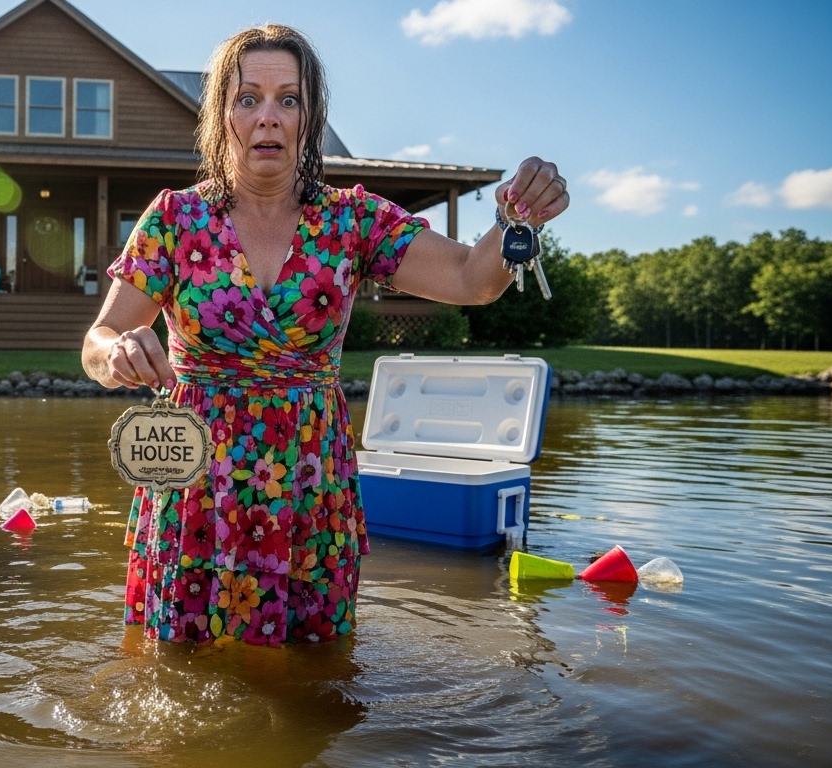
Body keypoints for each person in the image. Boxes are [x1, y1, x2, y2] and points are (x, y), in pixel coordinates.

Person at [82, 24, 569, 646]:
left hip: (308, 476)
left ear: (310, 118)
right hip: (195, 477)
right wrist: (116, 351)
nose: (268, 118)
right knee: (177, 664)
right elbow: (99, 339)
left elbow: (472, 279)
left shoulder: (352, 220)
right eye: (248, 98)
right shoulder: (176, 218)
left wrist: (515, 220)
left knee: (312, 680)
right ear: (220, 114)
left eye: (289, 99)